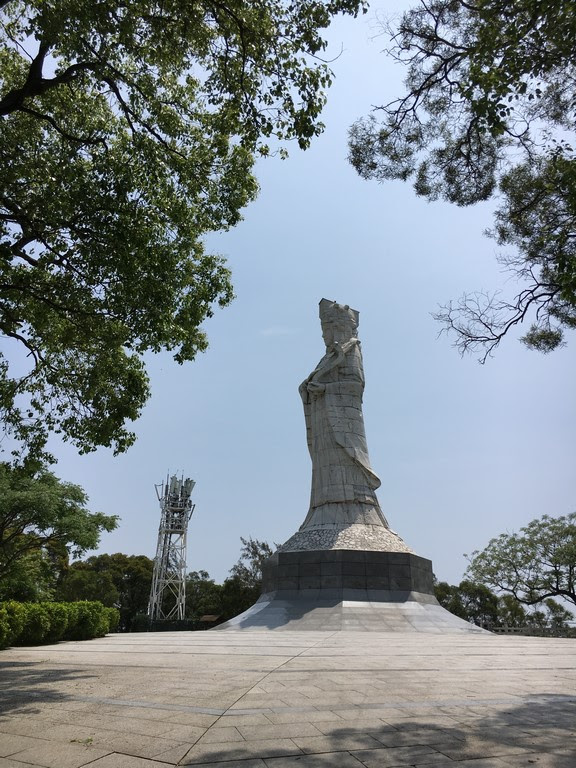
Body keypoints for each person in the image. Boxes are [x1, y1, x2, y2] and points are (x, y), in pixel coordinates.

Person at [298, 299, 389, 530]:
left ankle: (355, 508)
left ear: (341, 327)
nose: (325, 335)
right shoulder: (327, 358)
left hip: (343, 424)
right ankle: (322, 507)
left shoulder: (351, 350)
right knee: (325, 471)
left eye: (329, 328)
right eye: (323, 329)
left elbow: (355, 385)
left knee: (347, 464)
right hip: (324, 423)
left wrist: (326, 389)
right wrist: (307, 387)